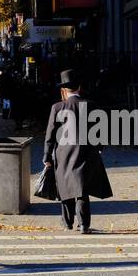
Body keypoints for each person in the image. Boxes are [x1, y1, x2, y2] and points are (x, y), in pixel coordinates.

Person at [43, 69, 112, 233]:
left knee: (65, 187)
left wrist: (47, 156)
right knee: (82, 189)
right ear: (79, 88)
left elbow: (50, 134)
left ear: (64, 90)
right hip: (85, 152)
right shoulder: (90, 105)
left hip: (63, 153)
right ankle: (84, 224)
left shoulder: (57, 107)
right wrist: (100, 148)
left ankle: (67, 223)